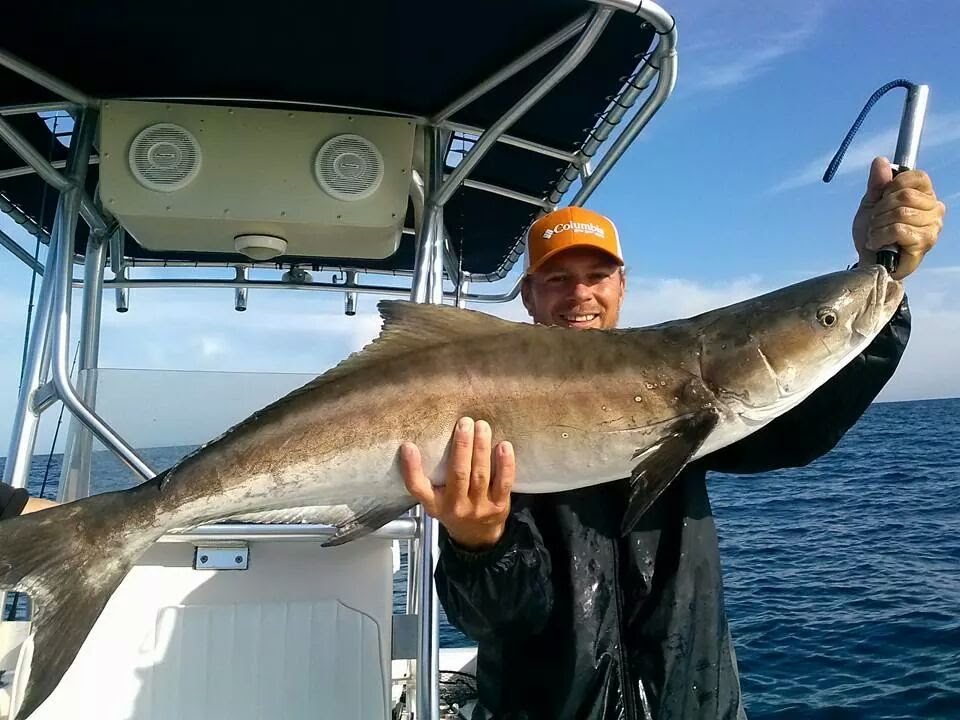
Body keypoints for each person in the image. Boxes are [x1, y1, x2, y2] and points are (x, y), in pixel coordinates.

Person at [400, 156, 945, 719]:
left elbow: (800, 428)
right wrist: (481, 544)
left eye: (596, 276)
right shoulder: (485, 414)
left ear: (622, 285)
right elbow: (498, 622)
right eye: (557, 279)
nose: (579, 294)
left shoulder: (693, 394)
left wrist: (881, 272)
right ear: (528, 297)